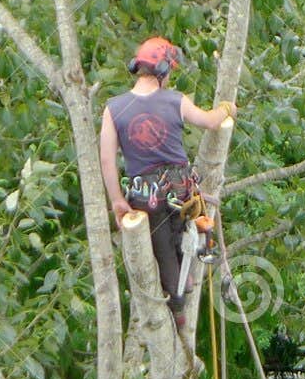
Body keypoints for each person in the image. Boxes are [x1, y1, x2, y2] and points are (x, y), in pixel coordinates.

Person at [99, 37, 235, 326]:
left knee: (161, 247)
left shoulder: (114, 108)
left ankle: (177, 301)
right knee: (177, 236)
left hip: (144, 195)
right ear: (162, 70)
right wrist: (226, 109)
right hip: (180, 189)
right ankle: (180, 293)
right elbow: (210, 121)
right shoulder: (176, 100)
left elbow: (107, 161)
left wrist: (116, 201)